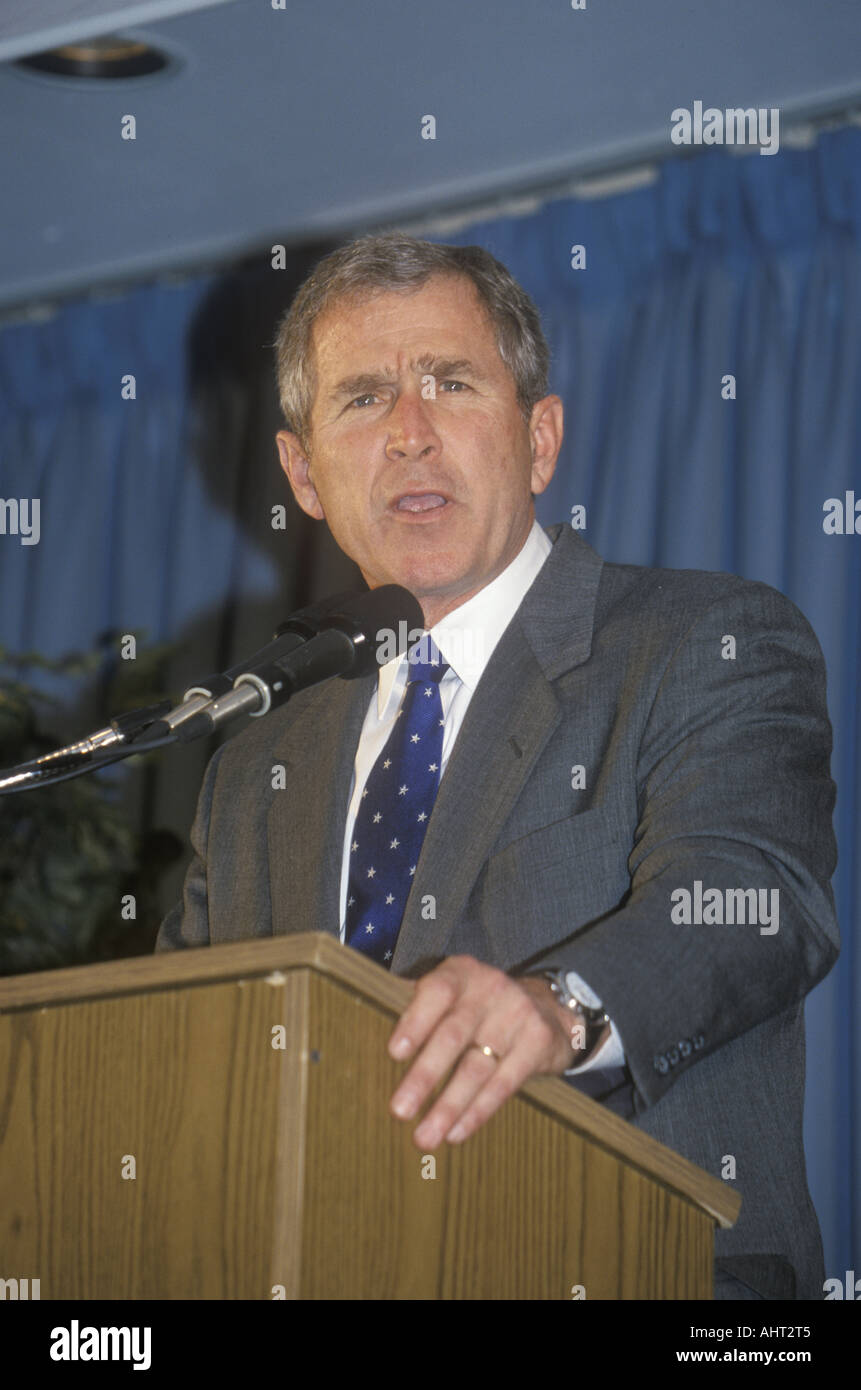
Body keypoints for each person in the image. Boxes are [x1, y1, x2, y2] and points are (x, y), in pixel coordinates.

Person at [156, 233, 839, 1301]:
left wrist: (558, 1006)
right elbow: (184, 1056)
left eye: (452, 383)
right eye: (365, 398)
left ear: (539, 438)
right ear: (304, 473)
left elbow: (755, 898)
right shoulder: (254, 764)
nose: (410, 436)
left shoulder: (703, 641)